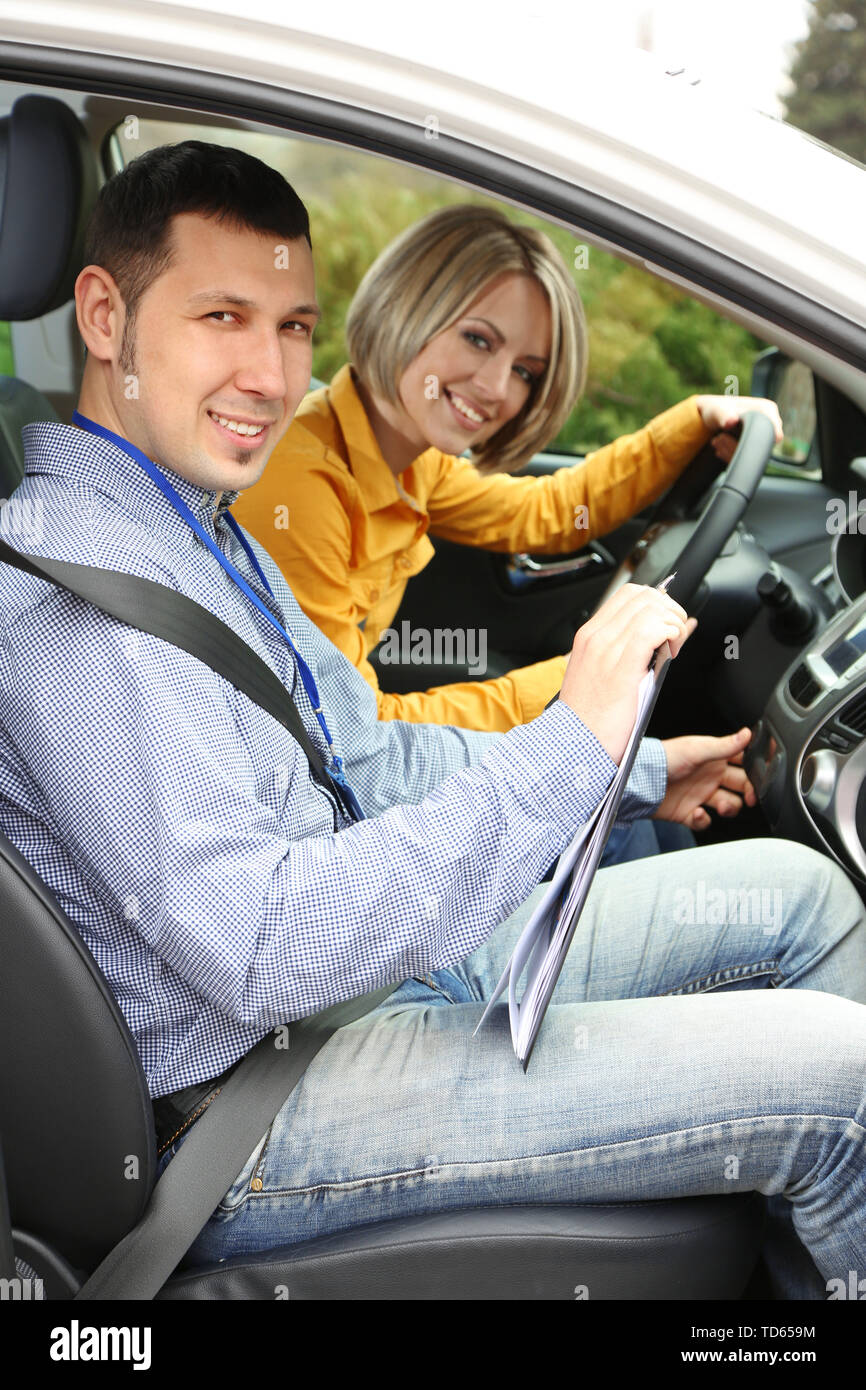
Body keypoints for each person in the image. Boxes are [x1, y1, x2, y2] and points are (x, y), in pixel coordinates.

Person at [0, 141, 863, 1299]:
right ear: (104, 316)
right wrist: (565, 744)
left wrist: (626, 764)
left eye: (295, 327)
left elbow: (370, 751)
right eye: (222, 316)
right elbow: (261, 948)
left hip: (358, 982)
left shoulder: (194, 525)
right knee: (837, 1077)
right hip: (259, 1102)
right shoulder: (83, 602)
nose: (268, 375)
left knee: (798, 896)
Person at [232, 203, 782, 733]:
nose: (497, 389)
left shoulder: (410, 455)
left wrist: (693, 421)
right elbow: (351, 737)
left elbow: (550, 513)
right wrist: (580, 679)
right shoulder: (302, 485)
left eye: (525, 370)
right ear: (405, 306)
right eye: (477, 339)